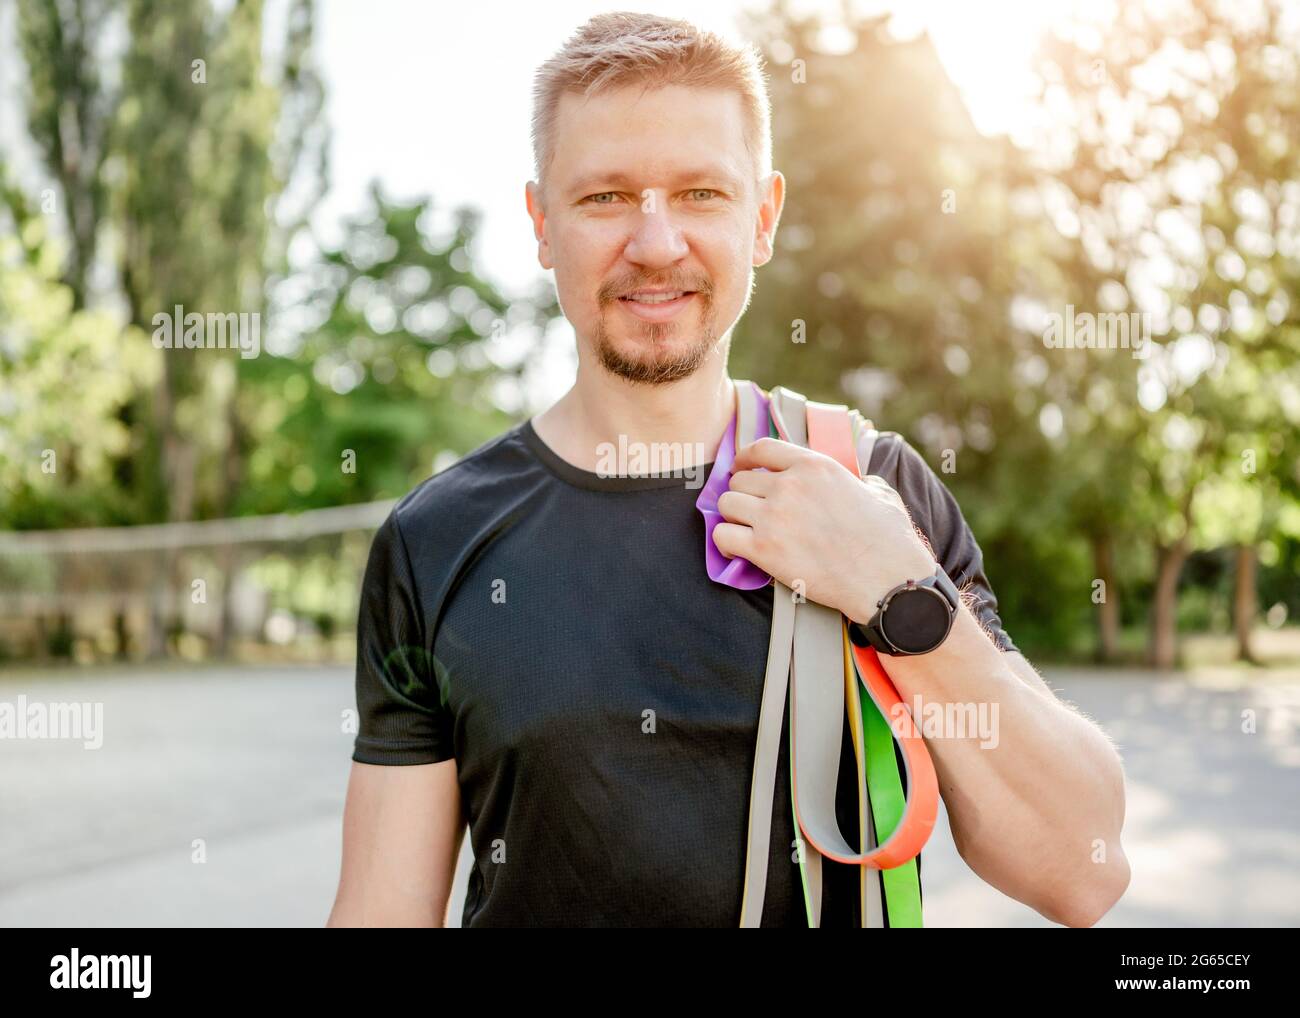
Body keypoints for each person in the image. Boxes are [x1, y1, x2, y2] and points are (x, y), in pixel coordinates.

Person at [327, 11, 1130, 928]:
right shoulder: (435, 542)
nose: (657, 243)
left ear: (764, 216)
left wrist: (898, 590)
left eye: (702, 193)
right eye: (605, 198)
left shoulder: (872, 488)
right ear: (542, 224)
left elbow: (1084, 872)